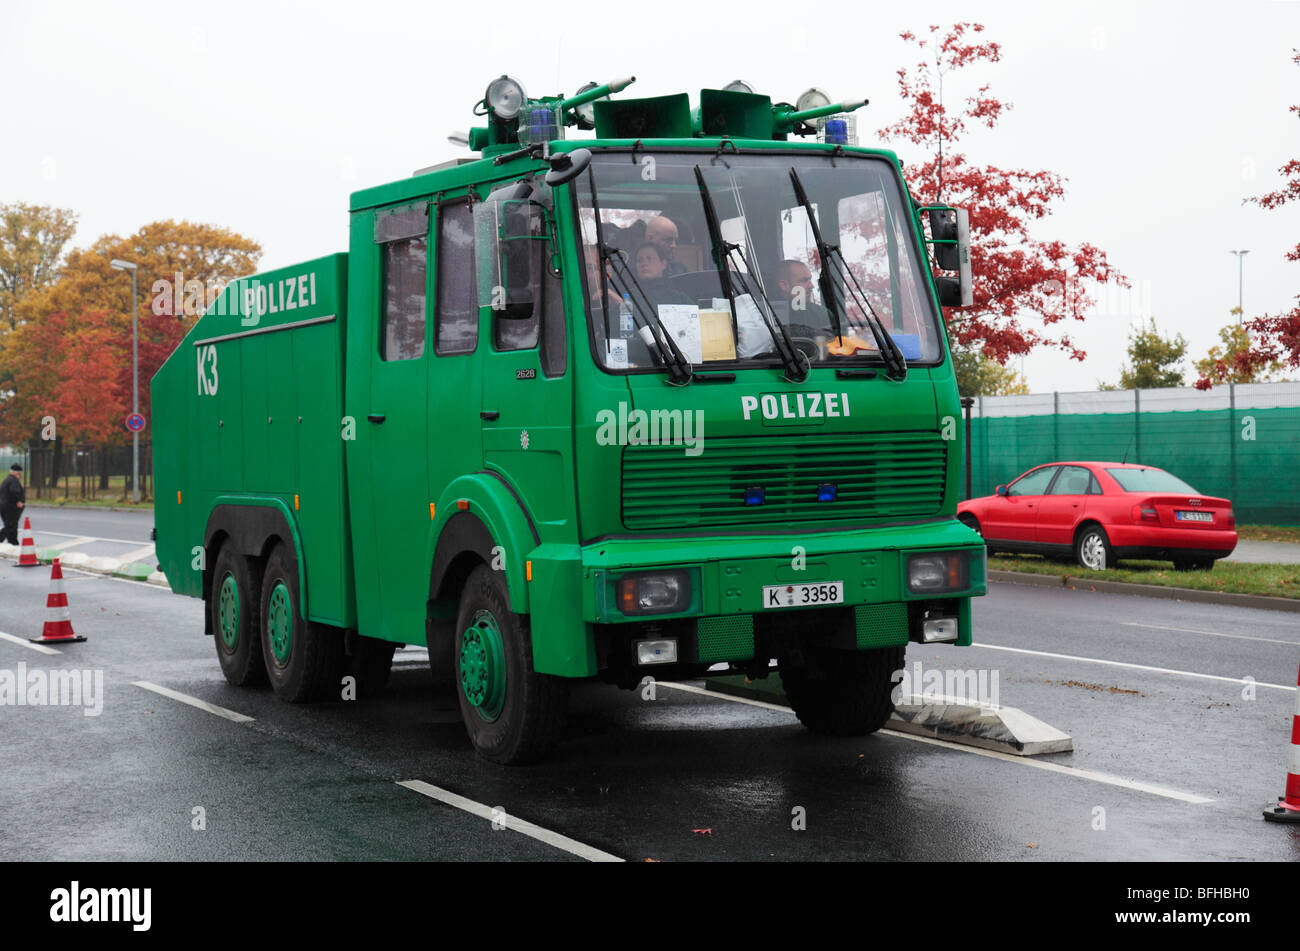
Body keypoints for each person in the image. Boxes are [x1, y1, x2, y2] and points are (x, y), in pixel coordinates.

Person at [0, 464, 26, 546]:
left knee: (10, 525)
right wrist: (19, 501)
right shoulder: (14, 481)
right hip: (11, 507)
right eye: (19, 473)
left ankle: (13, 542)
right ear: (16, 473)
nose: (20, 475)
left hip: (3, 506)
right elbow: (14, 492)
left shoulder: (6, 480)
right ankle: (12, 542)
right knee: (11, 525)